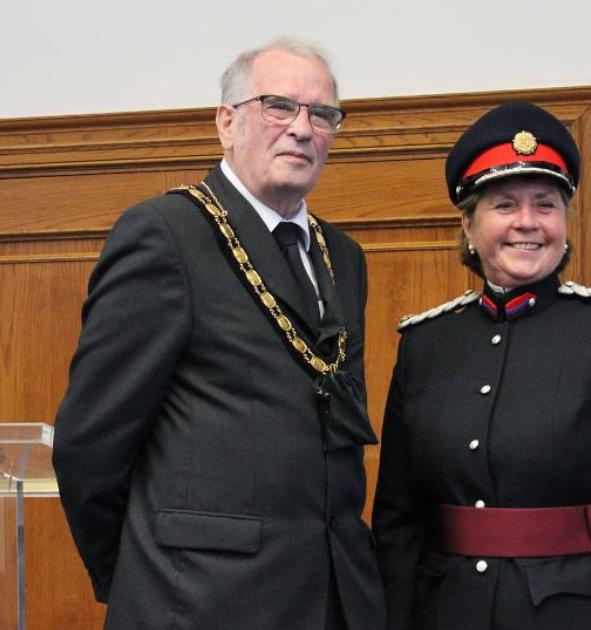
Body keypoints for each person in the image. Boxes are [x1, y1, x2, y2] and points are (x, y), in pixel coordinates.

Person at [53, 37, 384, 630]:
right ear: (227, 122)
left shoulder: (344, 256)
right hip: (201, 599)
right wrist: (139, 570)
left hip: (334, 597)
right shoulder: (166, 234)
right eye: (279, 106)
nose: (303, 129)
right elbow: (90, 444)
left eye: (323, 114)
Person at [373, 101, 591, 630]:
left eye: (545, 204)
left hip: (574, 611)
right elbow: (397, 518)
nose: (527, 223)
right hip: (443, 611)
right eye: (504, 205)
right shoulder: (425, 344)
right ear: (468, 226)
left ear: (564, 224)